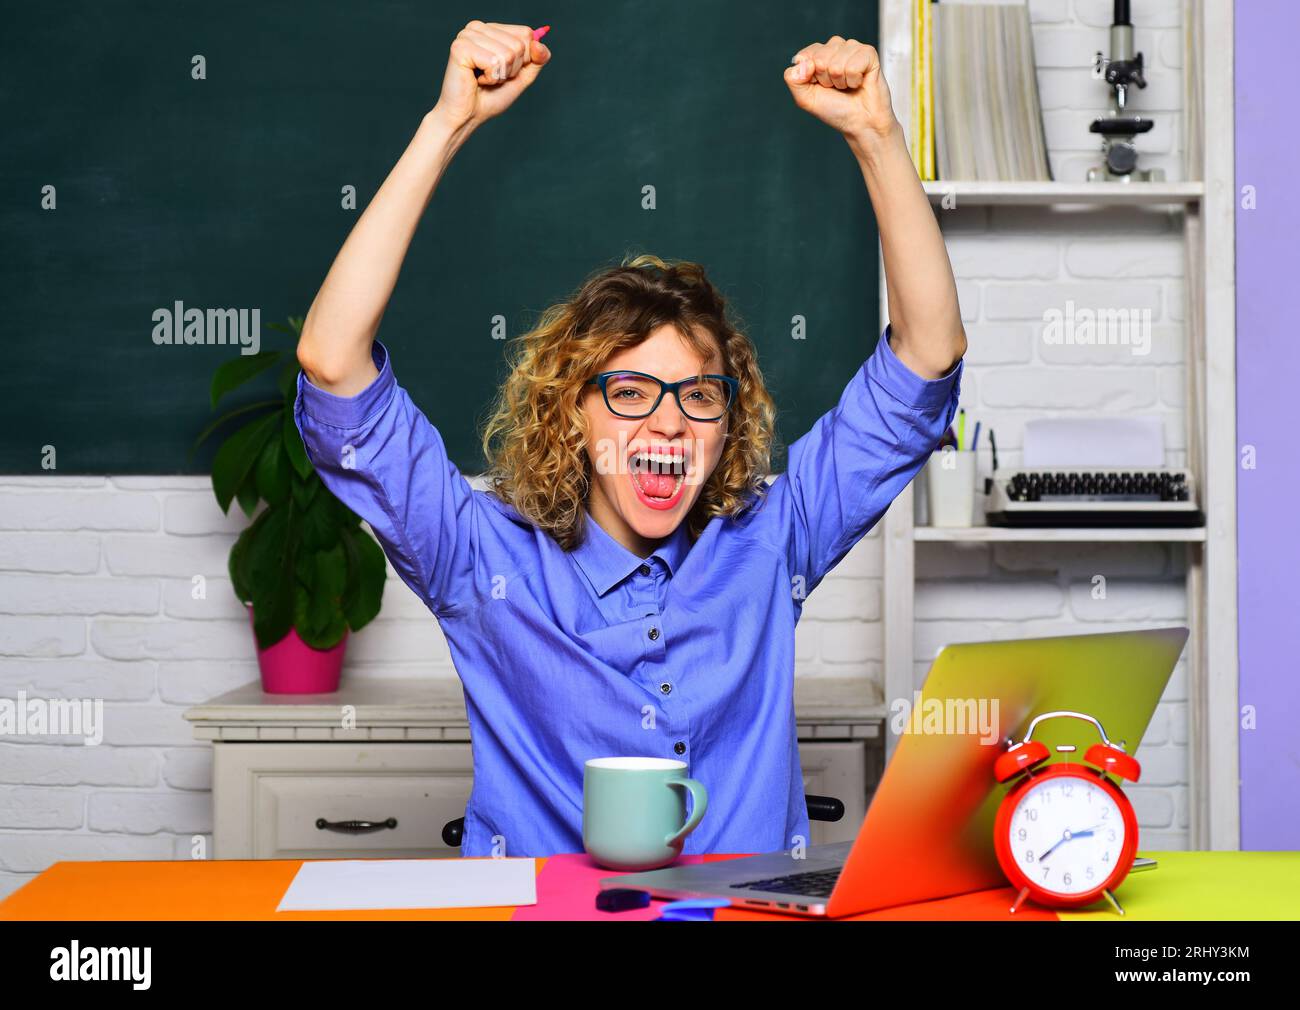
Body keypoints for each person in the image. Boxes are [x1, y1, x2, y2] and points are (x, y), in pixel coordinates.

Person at [294, 22, 966, 857]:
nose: (670, 421)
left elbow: (927, 356)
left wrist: (878, 137)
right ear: (570, 412)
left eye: (699, 396)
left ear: (731, 417)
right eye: (631, 391)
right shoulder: (478, 557)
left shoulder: (770, 539)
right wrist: (447, 123)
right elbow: (331, 363)